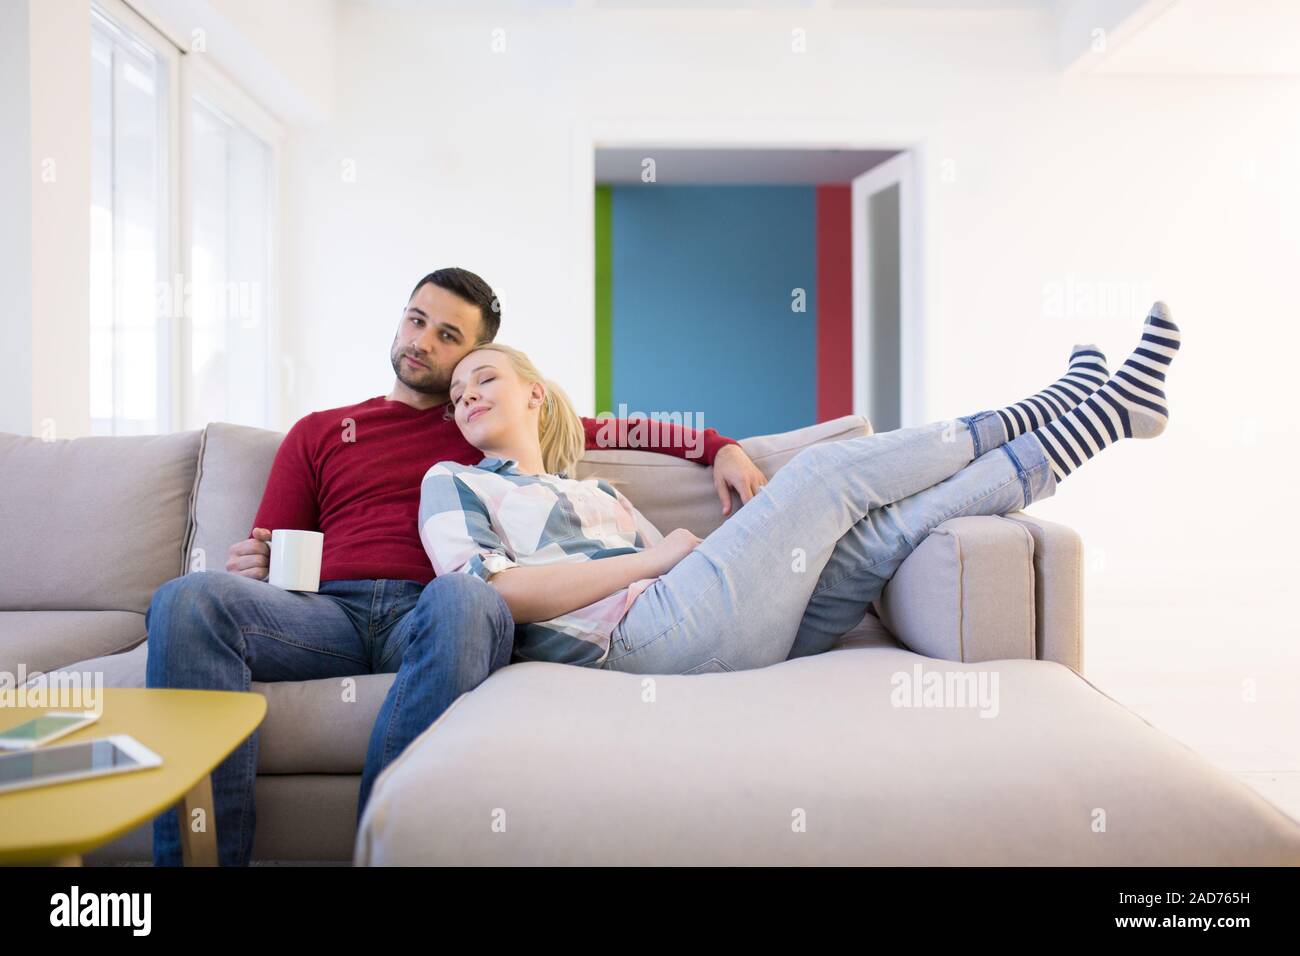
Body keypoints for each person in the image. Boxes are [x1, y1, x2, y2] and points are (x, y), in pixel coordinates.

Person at [144, 267, 767, 866]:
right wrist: (256, 561)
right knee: (186, 599)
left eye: (448, 337)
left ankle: (383, 851)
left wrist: (721, 447)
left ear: (475, 357)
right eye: (416, 321)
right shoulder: (319, 430)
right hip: (324, 613)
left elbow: (630, 430)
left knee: (466, 596)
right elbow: (272, 545)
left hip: (436, 611)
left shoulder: (480, 421)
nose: (422, 342)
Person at [419, 302, 1180, 674]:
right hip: (636, 647)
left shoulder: (598, 493)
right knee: (821, 475)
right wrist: (653, 561)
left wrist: (719, 454)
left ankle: (1104, 416)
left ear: (536, 397)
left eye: (483, 377)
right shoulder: (453, 482)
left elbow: (665, 459)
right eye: (455, 397)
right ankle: (1043, 406)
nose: (466, 397)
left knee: (883, 536)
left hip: (713, 624)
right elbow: (497, 592)